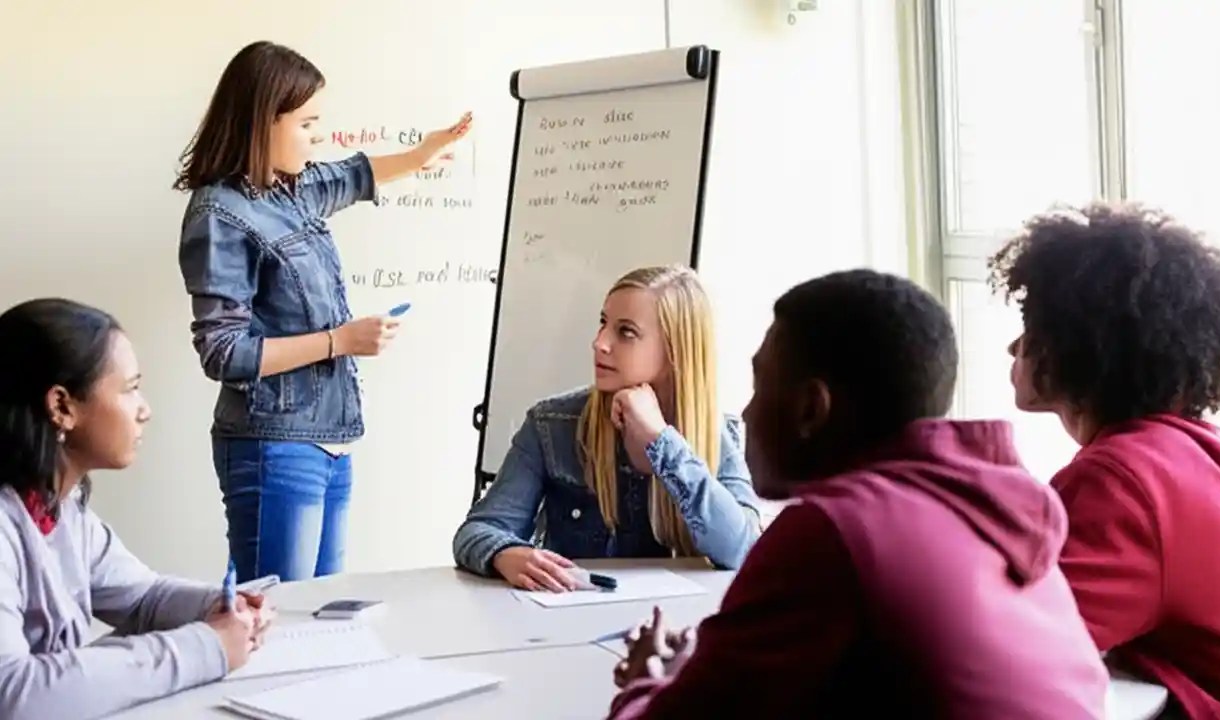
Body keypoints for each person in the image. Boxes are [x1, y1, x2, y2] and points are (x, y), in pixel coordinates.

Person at [608, 269, 1109, 718]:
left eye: (761, 386)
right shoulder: (995, 508)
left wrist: (648, 682)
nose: (749, 413)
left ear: (811, 409)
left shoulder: (833, 531)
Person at [174, 40, 472, 582]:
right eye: (308, 124)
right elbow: (223, 352)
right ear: (265, 120)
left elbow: (354, 175)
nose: (318, 137)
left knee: (320, 621)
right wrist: (340, 341)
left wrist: (423, 154)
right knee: (279, 624)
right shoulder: (220, 214)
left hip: (331, 443)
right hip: (273, 446)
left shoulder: (292, 190)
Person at [990, 202, 1220, 719]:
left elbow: (1007, 647)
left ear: (1079, 344)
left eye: (1031, 325)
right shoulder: (1213, 451)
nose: (1015, 345)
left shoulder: (1122, 479)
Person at [0, 298, 275, 720]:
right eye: (129, 389)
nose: (144, 410)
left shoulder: (63, 511)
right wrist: (209, 647)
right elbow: (16, 694)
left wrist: (219, 607)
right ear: (61, 407)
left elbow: (144, 597)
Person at [453, 265, 761, 589]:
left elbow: (743, 549)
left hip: (673, 630)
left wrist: (661, 441)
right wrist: (506, 553)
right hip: (572, 626)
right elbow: (478, 531)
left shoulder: (715, 433)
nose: (599, 343)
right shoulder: (551, 424)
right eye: (603, 323)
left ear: (675, 350)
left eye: (626, 332)